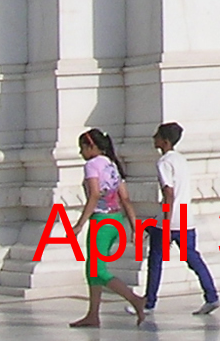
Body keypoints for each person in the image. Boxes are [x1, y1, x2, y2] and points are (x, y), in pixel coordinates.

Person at [73, 128, 147, 327]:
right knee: (93, 269)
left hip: (102, 222)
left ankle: (135, 299)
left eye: (82, 148)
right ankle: (93, 314)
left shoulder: (91, 165)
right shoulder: (111, 164)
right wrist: (134, 226)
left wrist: (79, 224)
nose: (81, 153)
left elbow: (94, 194)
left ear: (90, 146)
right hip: (116, 220)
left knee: (98, 270)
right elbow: (125, 198)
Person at [145, 121, 220, 316]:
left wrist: (166, 222)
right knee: (193, 258)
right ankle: (211, 296)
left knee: (156, 260)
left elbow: (168, 193)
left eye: (157, 136)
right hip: (186, 218)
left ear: (165, 141)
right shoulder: (181, 160)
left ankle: (149, 302)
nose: (154, 138)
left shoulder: (163, 162)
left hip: (169, 220)